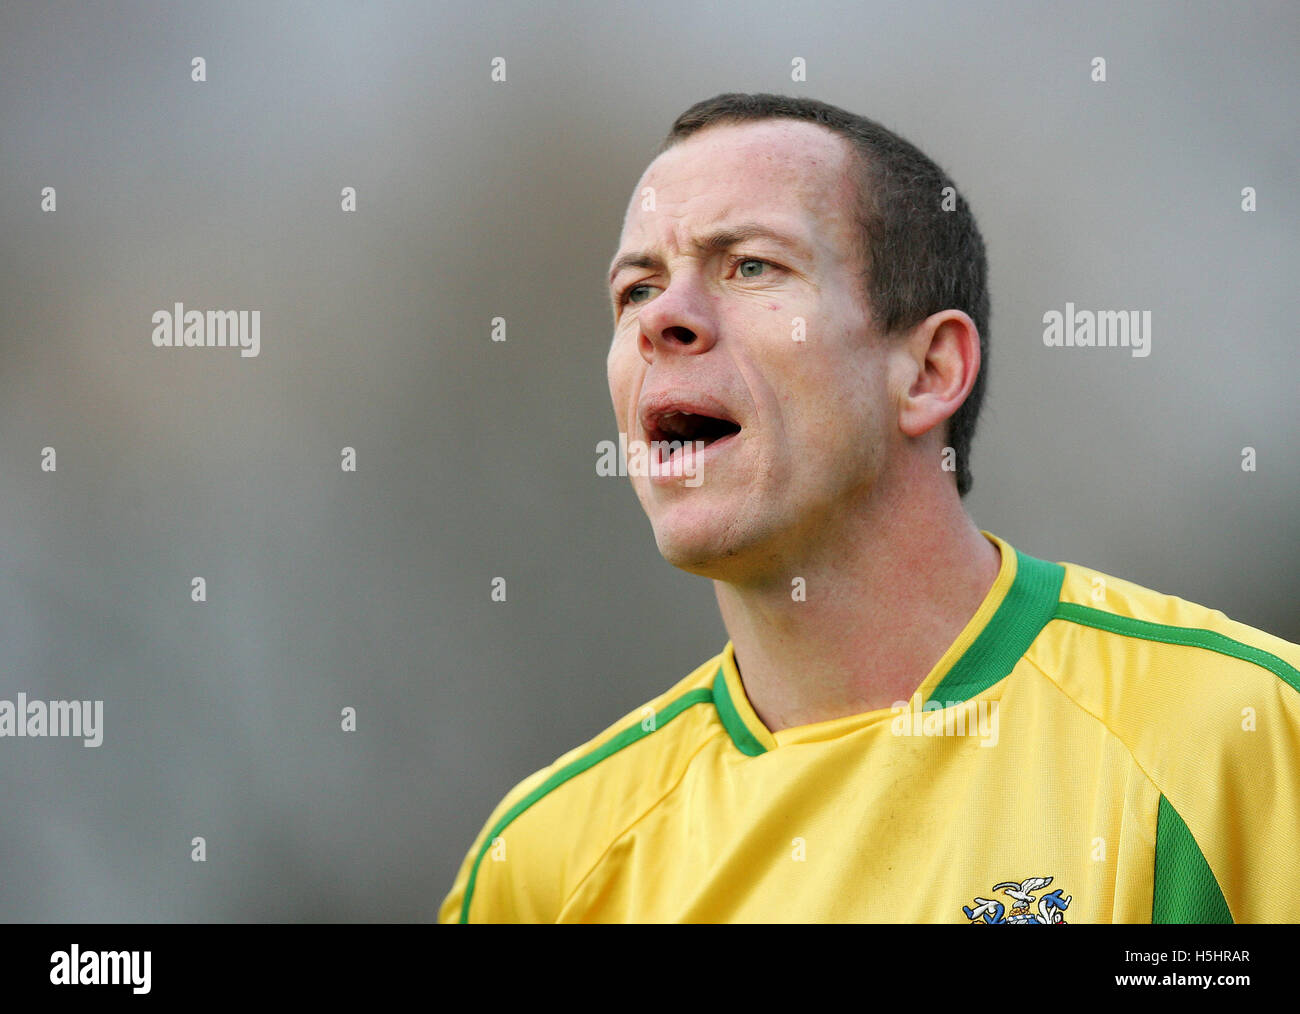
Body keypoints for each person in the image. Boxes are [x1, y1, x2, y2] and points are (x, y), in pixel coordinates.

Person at [438, 93, 1299, 923]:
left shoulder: (1234, 737)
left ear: (928, 373)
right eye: (637, 289)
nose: (666, 318)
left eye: (750, 266)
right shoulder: (543, 868)